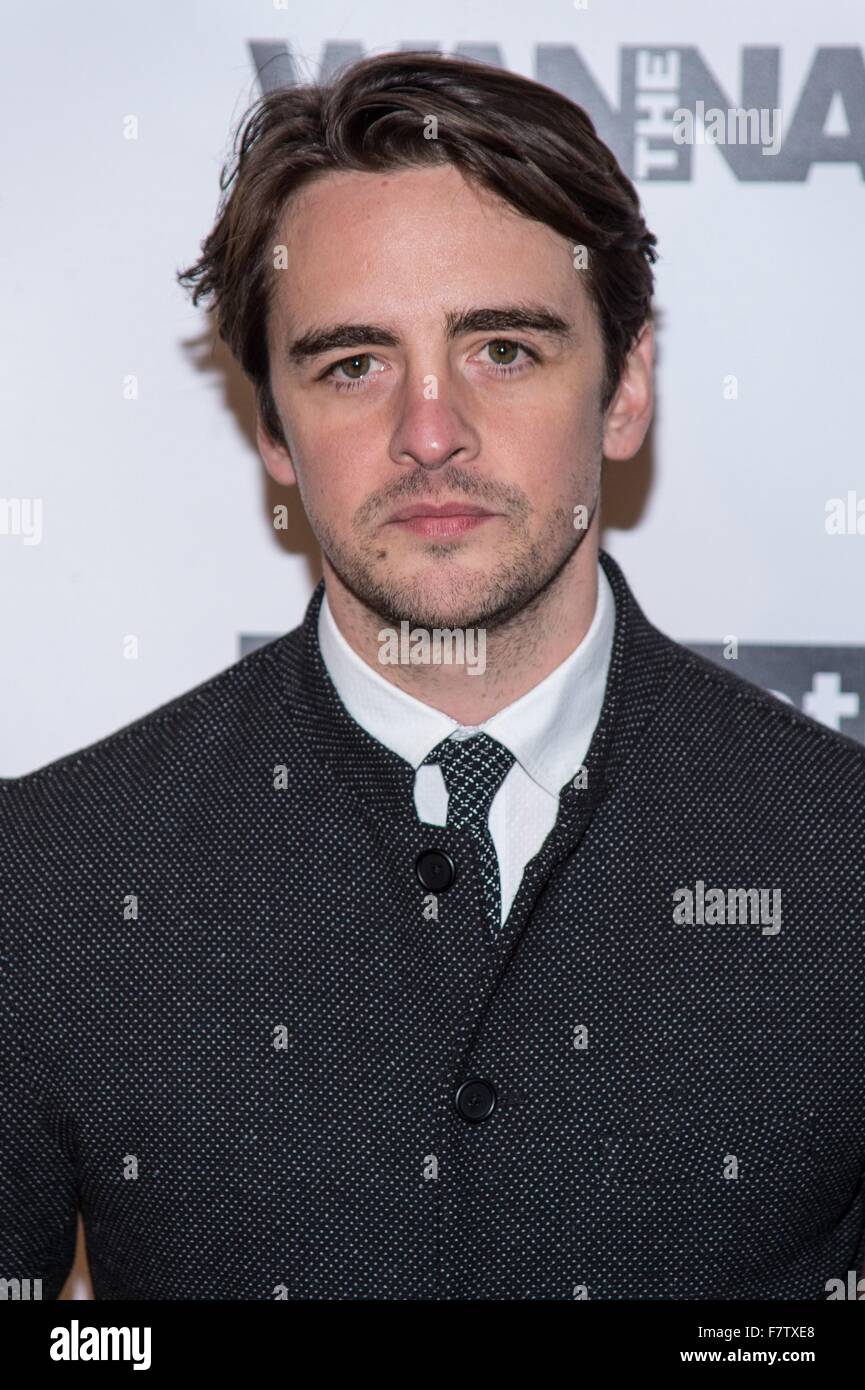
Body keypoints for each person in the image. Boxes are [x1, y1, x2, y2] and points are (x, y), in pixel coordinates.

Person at [2, 51, 863, 1302]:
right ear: (272, 432)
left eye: (502, 350)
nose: (428, 429)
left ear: (625, 389)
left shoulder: (840, 856)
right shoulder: (54, 877)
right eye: (351, 364)